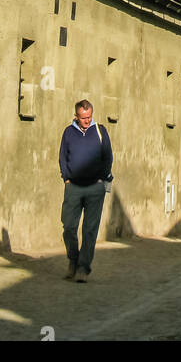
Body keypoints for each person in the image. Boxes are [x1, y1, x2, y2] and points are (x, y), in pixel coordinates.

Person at [59, 98, 113, 282]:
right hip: (73, 186)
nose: (87, 121)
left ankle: (83, 267)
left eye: (89, 117)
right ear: (76, 116)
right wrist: (66, 178)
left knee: (90, 229)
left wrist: (102, 177)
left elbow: (108, 157)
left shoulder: (99, 131)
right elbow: (62, 157)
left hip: (94, 188)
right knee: (69, 226)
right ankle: (73, 260)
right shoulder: (68, 132)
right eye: (83, 118)